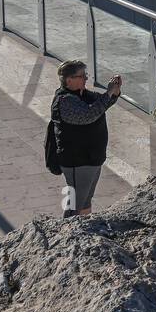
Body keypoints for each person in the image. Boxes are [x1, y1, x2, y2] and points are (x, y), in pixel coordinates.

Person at [48, 61, 121, 217]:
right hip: (77, 161)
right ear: (69, 80)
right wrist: (108, 94)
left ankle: (85, 230)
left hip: (92, 158)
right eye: (82, 76)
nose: (86, 78)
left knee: (85, 201)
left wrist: (114, 92)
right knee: (73, 205)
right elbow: (88, 115)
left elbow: (102, 104)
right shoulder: (65, 100)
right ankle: (64, 236)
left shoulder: (83, 94)